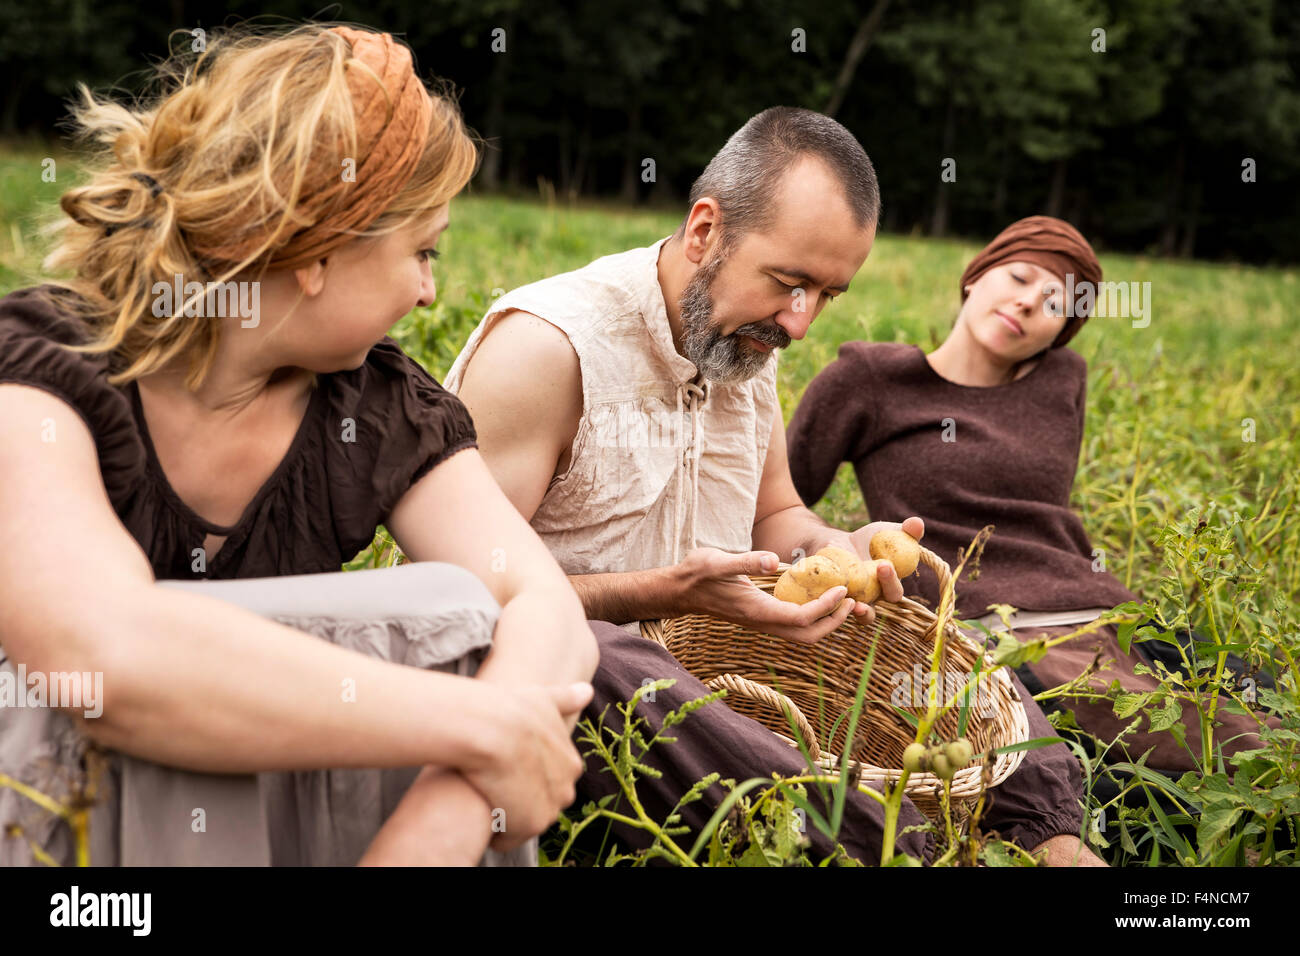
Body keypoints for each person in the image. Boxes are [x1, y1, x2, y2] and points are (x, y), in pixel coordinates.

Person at [0, 23, 599, 867]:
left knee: (465, 615)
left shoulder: (375, 404)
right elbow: (98, 656)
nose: (430, 293)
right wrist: (483, 728)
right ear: (317, 250)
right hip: (60, 832)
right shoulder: (45, 372)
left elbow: (544, 606)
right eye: (420, 251)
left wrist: (443, 818)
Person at [447, 110, 1102, 865]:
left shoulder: (743, 345)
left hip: (722, 663)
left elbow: (779, 516)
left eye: (827, 295)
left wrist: (838, 546)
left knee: (947, 643)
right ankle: (908, 848)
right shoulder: (549, 349)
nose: (802, 324)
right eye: (790, 284)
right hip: (583, 680)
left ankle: (1054, 842)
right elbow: (468, 594)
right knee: (612, 663)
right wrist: (668, 591)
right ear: (705, 231)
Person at [787, 215, 1279, 787]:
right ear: (975, 278)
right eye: (1018, 278)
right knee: (1217, 750)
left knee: (1268, 701)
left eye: (1055, 303)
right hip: (993, 630)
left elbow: (1039, 515)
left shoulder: (1061, 380)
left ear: (1062, 332)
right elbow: (781, 502)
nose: (1027, 303)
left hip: (1111, 616)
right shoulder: (870, 378)